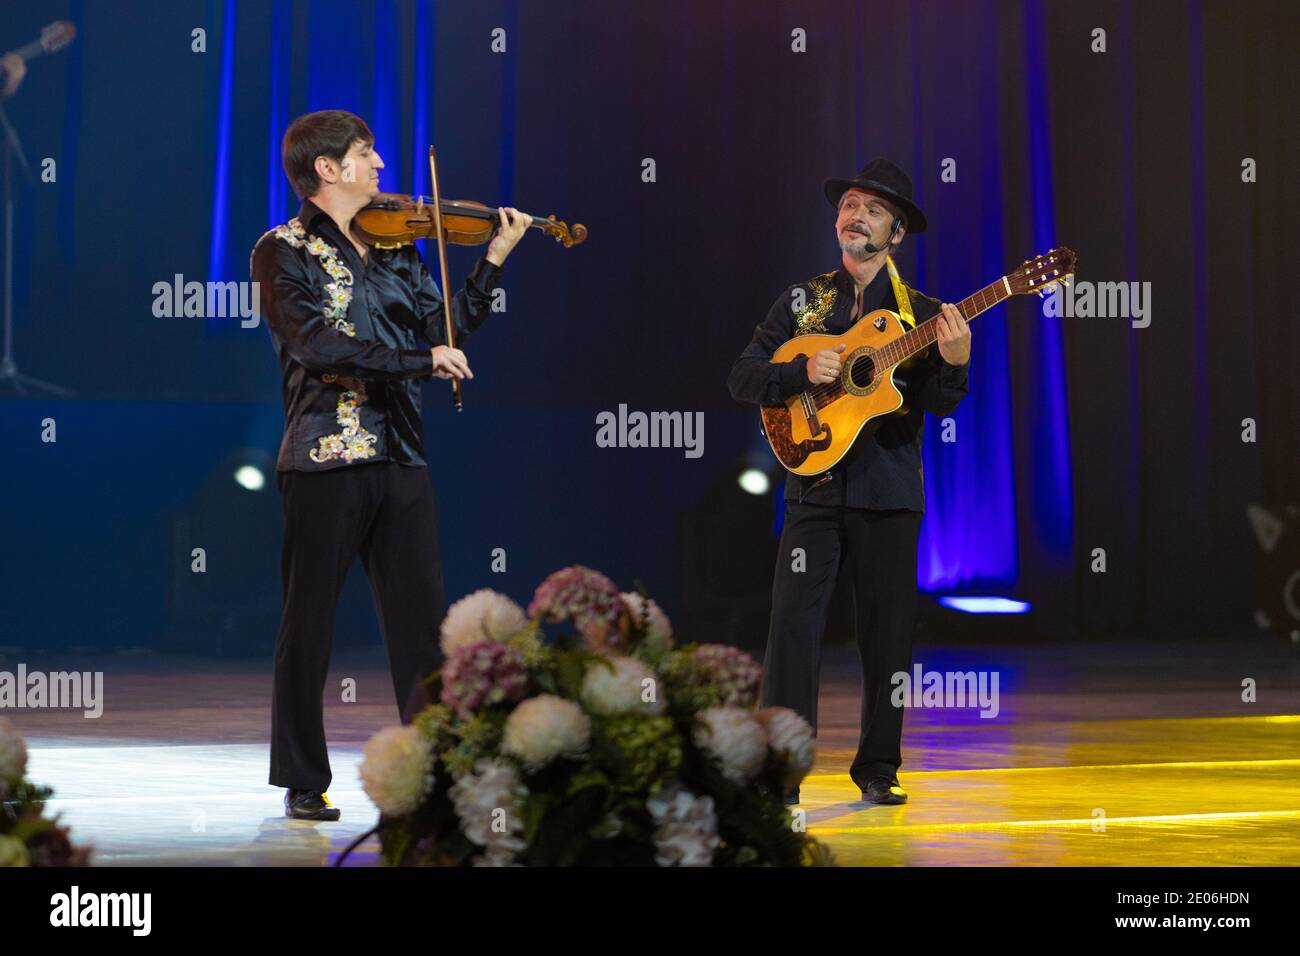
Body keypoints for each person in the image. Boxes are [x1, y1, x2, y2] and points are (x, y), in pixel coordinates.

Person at [250, 110, 532, 820]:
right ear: (327, 169)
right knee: (307, 623)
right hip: (325, 456)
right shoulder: (280, 250)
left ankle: (434, 771)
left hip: (401, 453)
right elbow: (316, 345)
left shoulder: (403, 248)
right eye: (366, 155)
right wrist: (419, 361)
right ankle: (302, 779)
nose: (380, 166)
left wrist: (493, 260)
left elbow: (449, 329)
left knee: (420, 626)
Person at [727, 158, 971, 806]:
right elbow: (743, 377)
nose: (854, 214)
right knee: (792, 631)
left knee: (888, 636)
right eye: (849, 205)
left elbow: (943, 404)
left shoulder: (922, 313)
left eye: (872, 208)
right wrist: (803, 372)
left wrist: (954, 364)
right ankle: (780, 772)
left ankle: (878, 769)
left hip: (889, 494)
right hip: (813, 486)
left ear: (897, 233)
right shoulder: (804, 301)